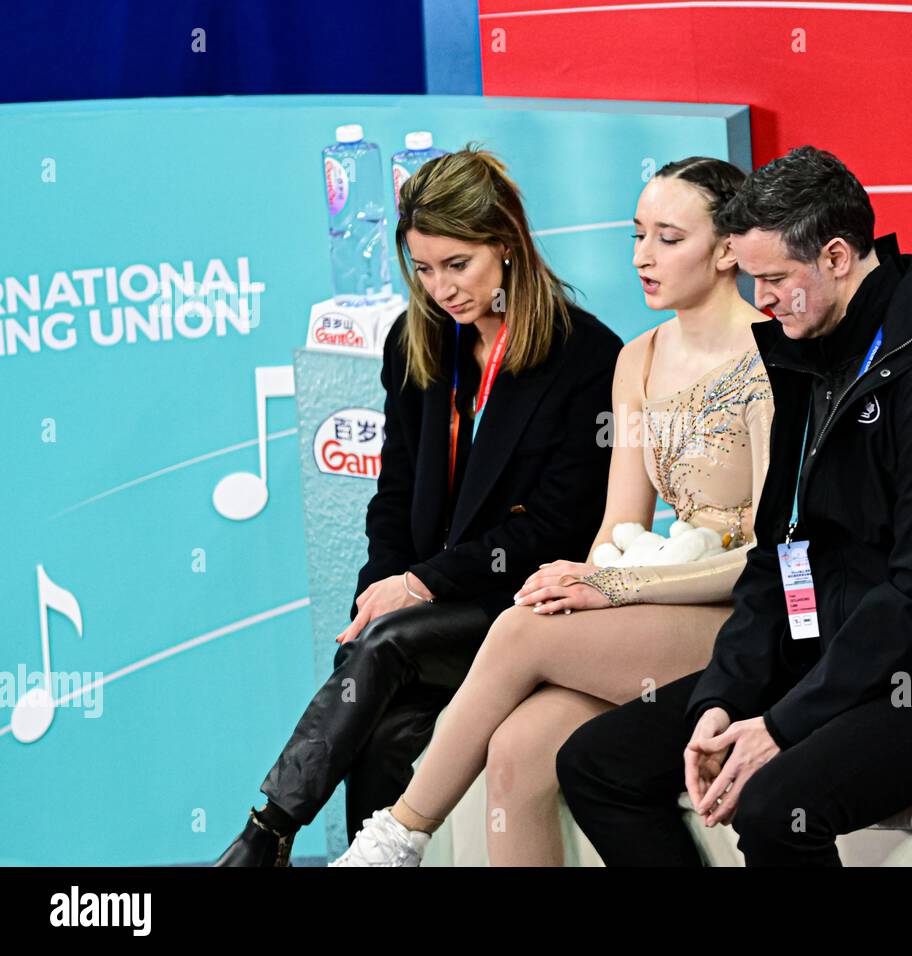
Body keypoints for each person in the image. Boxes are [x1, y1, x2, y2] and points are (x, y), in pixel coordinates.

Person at [555, 145, 912, 866]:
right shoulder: (803, 350)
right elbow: (775, 555)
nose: (760, 300)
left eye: (775, 279)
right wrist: (721, 701)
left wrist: (785, 726)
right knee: (597, 764)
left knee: (775, 810)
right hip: (830, 654)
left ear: (838, 255)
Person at [328, 156, 775, 866]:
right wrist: (587, 584)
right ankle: (395, 836)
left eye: (667, 238)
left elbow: (773, 559)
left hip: (747, 617)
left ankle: (397, 834)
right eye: (636, 236)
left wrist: (612, 588)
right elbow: (617, 529)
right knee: (516, 753)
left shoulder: (774, 363)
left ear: (727, 250)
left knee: (520, 630)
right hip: (659, 600)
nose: (642, 258)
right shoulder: (639, 358)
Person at [214, 145, 622, 866]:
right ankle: (283, 839)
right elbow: (395, 493)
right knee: (386, 717)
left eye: (457, 265)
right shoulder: (418, 341)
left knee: (387, 647)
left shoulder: (585, 356)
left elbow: (558, 529)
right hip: (434, 605)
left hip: (525, 605)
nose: (441, 288)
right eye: (423, 269)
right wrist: (387, 583)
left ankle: (266, 834)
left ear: (506, 246)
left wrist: (422, 585)